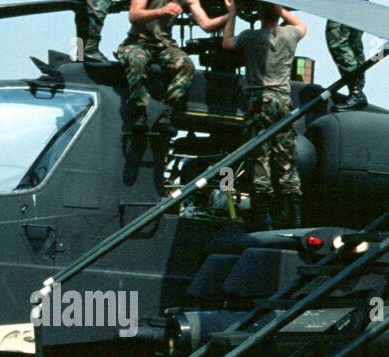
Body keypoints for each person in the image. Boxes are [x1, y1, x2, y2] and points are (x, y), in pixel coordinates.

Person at [222, 1, 306, 229]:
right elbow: (301, 25)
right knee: (285, 157)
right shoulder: (290, 35)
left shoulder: (250, 37)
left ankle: (264, 219)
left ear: (258, 13)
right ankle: (294, 217)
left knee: (259, 157)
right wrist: (280, 7)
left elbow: (227, 43)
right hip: (283, 102)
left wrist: (232, 13)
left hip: (258, 100)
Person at [117, 0, 228, 136]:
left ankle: (168, 113)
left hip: (164, 45)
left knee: (186, 64)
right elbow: (134, 16)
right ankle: (140, 112)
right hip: (137, 42)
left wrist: (232, 13)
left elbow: (206, 25)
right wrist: (161, 11)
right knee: (137, 61)